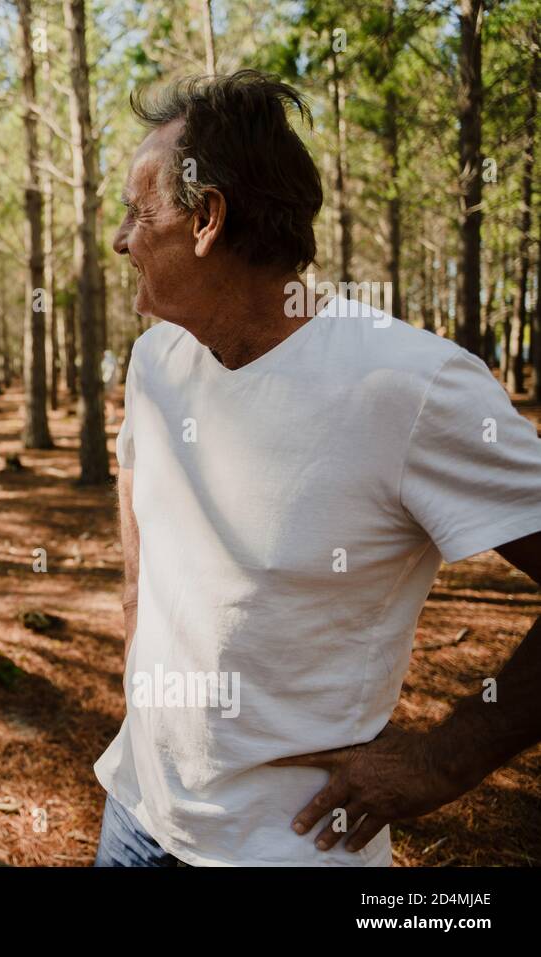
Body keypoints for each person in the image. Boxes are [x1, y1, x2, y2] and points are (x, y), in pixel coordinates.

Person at [97, 71, 541, 866]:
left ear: (207, 220)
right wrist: (137, 618)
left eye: (139, 212)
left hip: (288, 848)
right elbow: (137, 472)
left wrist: (442, 762)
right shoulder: (157, 356)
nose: (121, 238)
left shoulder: (411, 387)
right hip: (134, 815)